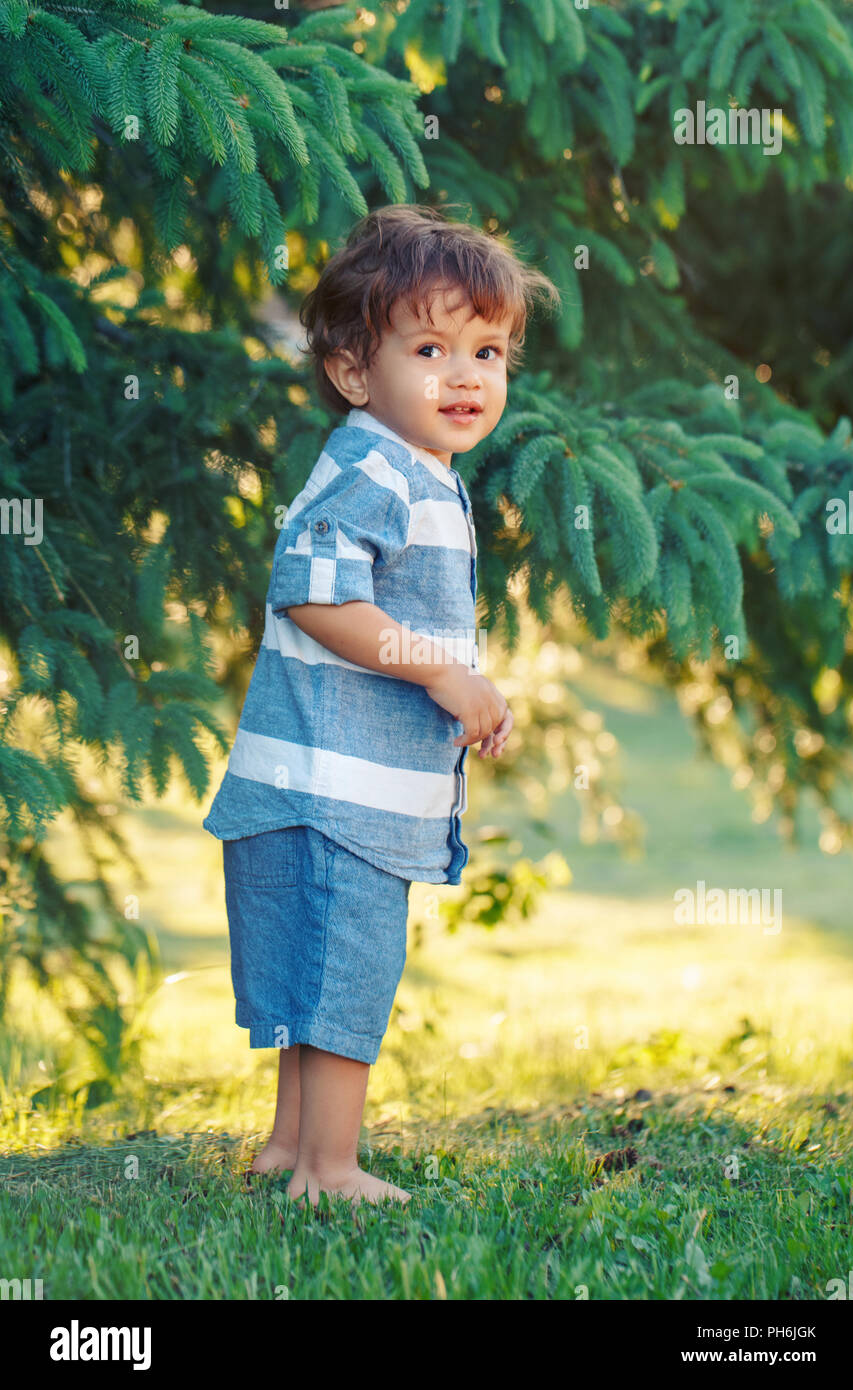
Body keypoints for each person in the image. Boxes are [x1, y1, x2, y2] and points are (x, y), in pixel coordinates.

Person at [202, 203, 559, 1206]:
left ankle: (286, 1146)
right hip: (329, 794)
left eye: (486, 350)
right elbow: (314, 593)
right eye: (430, 347)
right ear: (355, 370)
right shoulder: (375, 465)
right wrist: (440, 672)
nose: (464, 375)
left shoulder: (415, 471)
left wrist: (462, 689)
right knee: (344, 973)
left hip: (328, 788)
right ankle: (328, 1166)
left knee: (315, 972)